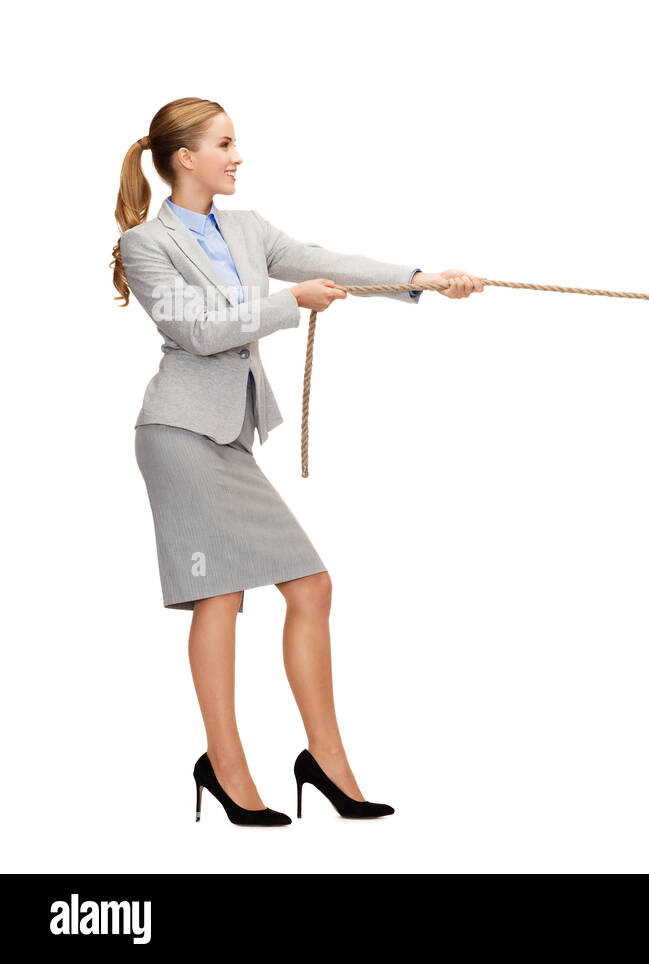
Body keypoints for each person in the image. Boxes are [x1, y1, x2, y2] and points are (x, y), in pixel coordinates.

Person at [113, 96, 485, 825]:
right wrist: (290, 303)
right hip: (180, 432)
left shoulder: (247, 228)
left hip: (229, 436)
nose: (237, 155)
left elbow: (324, 262)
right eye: (224, 143)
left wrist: (425, 278)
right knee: (220, 598)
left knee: (309, 587)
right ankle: (226, 769)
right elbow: (195, 330)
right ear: (185, 158)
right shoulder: (145, 243)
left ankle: (325, 761)